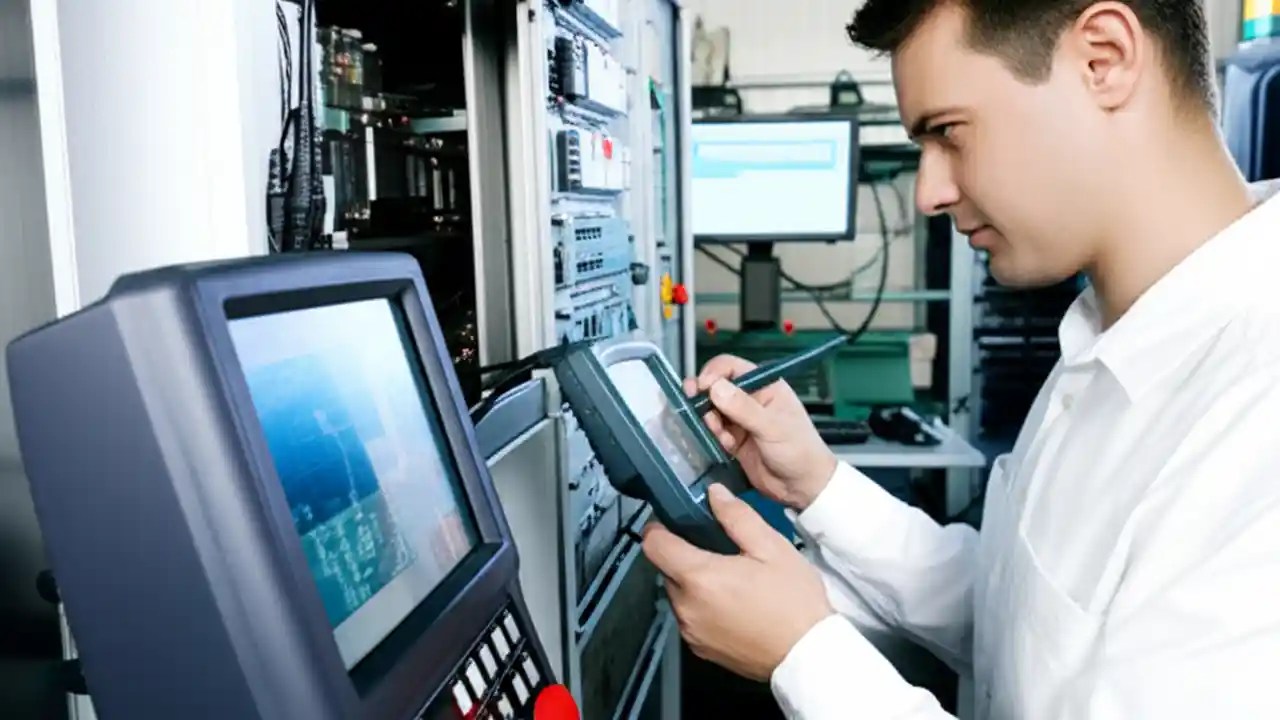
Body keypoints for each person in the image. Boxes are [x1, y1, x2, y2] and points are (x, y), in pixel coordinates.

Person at [641, 1, 1280, 718]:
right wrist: (819, 485)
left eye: (948, 131)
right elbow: (1018, 620)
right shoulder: (1110, 336)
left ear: (1104, 59)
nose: (928, 193)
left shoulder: (1259, 409)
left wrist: (805, 656)